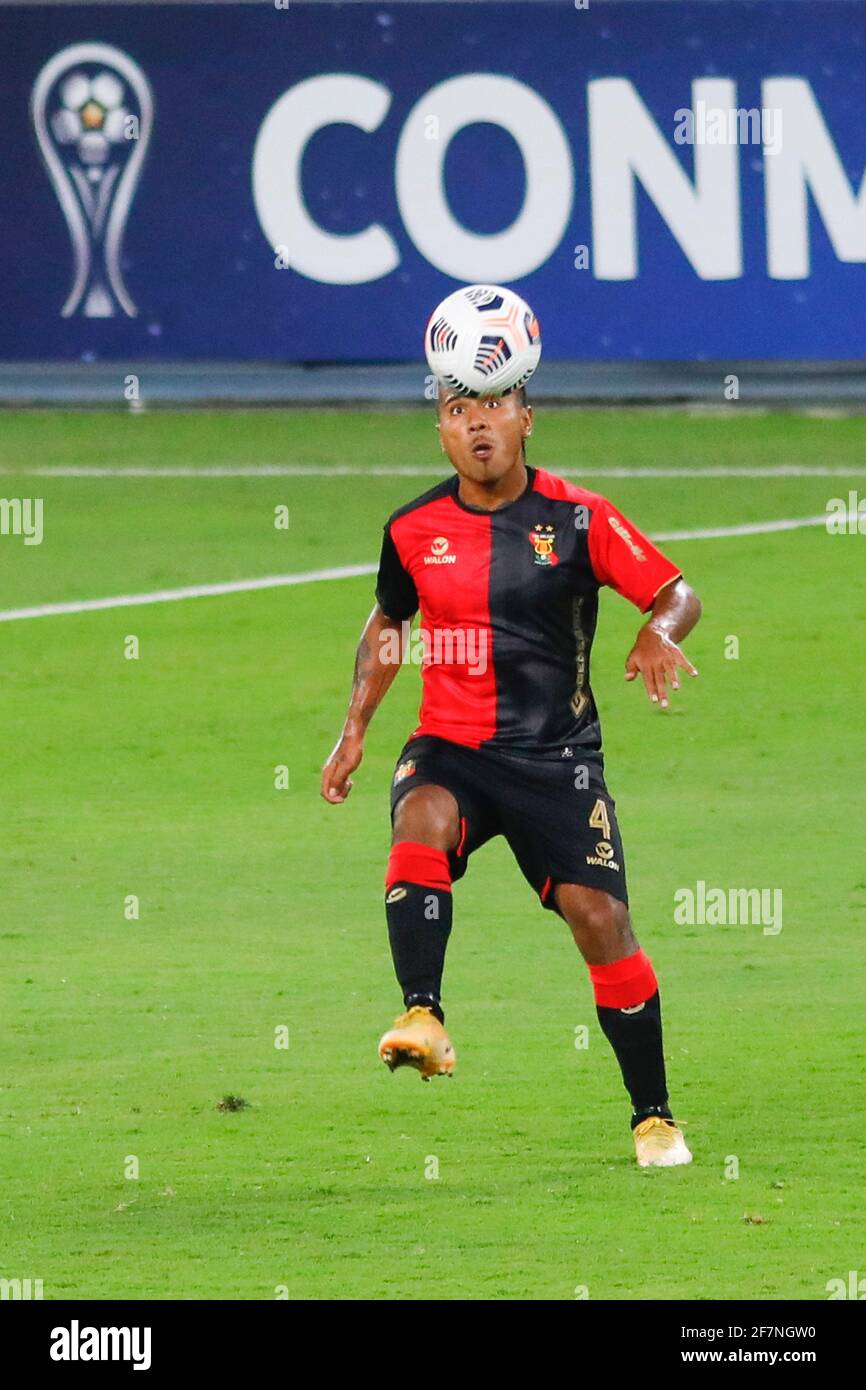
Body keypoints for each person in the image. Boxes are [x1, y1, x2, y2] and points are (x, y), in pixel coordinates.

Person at [321, 383, 701, 1167]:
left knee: (602, 923)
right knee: (419, 813)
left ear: (525, 419)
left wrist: (657, 632)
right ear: (441, 432)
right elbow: (390, 619)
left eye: (492, 409)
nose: (476, 426)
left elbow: (676, 591)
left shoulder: (580, 519)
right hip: (452, 748)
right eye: (459, 414)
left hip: (556, 759)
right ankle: (422, 1015)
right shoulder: (412, 528)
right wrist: (353, 730)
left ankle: (654, 1116)